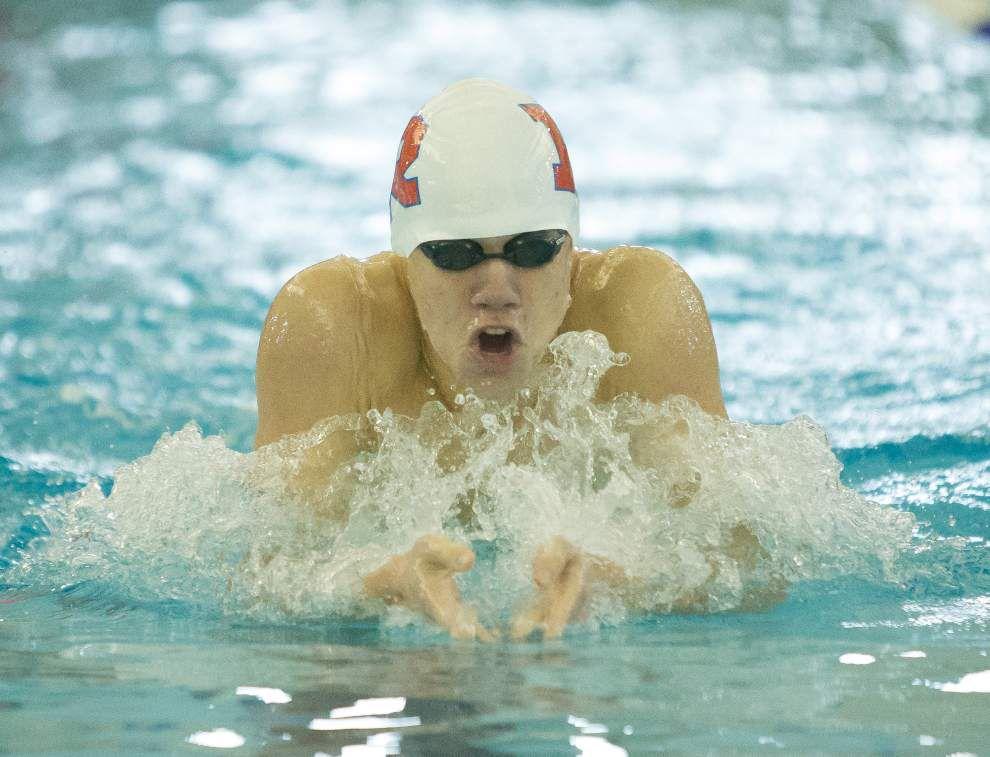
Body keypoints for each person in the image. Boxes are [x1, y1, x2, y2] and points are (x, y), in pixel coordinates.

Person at [254, 78, 727, 640]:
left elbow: (747, 554)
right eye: (455, 254)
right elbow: (265, 569)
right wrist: (383, 583)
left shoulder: (641, 312)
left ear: (570, 249)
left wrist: (616, 582)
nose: (498, 288)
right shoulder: (332, 326)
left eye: (531, 249)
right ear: (406, 262)